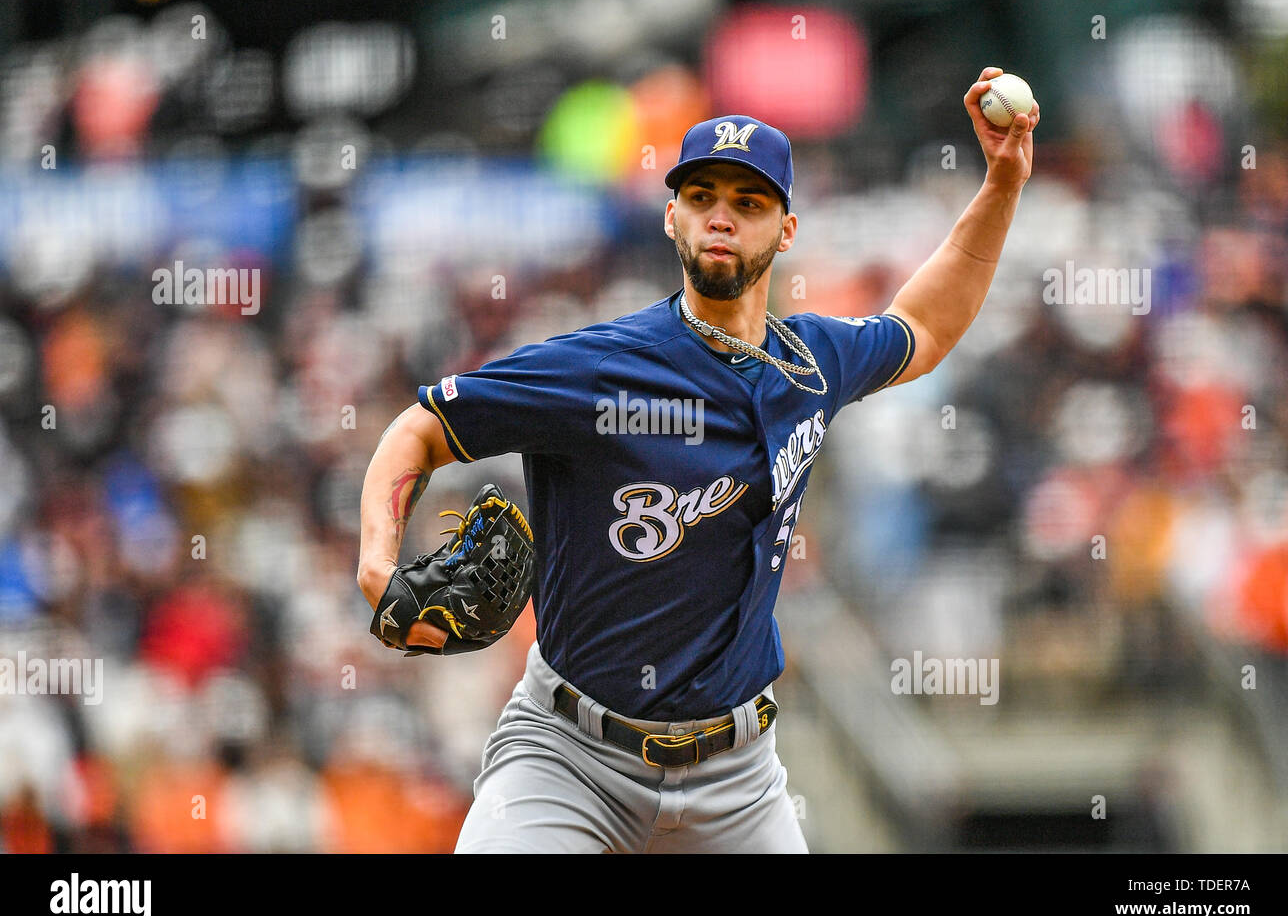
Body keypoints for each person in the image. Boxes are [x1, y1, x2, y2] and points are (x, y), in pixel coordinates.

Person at [357, 67, 1040, 853]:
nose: (722, 218)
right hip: (569, 758)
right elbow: (419, 428)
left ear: (786, 231)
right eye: (703, 197)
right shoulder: (598, 369)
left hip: (739, 780)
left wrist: (1004, 184)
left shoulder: (813, 366)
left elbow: (924, 326)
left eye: (748, 204)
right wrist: (379, 562)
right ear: (672, 216)